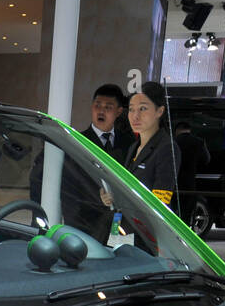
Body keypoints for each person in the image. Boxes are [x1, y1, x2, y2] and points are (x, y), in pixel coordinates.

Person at [122, 82, 178, 211]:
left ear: (160, 111)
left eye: (142, 108)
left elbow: (160, 203)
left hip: (148, 226)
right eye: (131, 109)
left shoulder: (167, 148)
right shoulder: (134, 147)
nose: (135, 116)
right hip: (128, 223)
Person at [81, 83, 130, 165]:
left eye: (108, 107)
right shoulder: (79, 141)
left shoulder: (128, 143)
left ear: (119, 111)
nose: (101, 111)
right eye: (97, 105)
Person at [172, 120, 210, 226]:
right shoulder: (199, 142)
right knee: (187, 213)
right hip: (190, 182)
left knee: (173, 211)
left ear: (177, 130)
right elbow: (206, 160)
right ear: (189, 130)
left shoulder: (172, 141)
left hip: (173, 183)